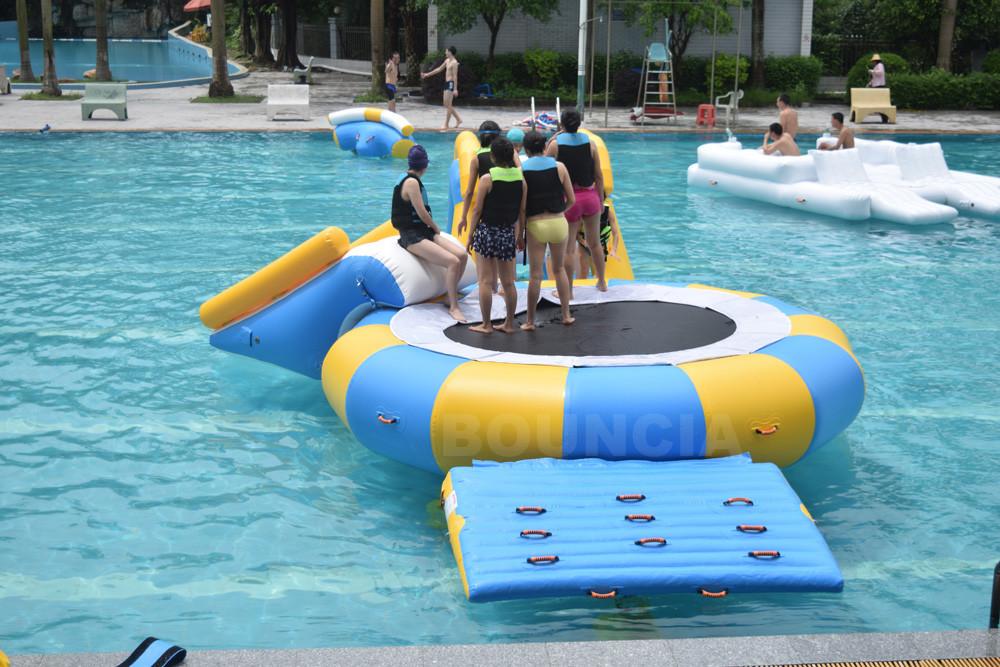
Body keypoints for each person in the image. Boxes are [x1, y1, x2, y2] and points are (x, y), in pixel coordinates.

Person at [391, 145, 469, 323]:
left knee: (462, 255)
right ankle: (454, 307)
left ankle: (450, 297)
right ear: (425, 165)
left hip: (422, 232)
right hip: (411, 236)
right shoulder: (411, 182)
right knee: (453, 262)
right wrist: (436, 228)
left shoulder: (408, 178)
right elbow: (422, 213)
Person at [545, 107, 607, 298]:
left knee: (568, 249)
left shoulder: (555, 145)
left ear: (561, 124)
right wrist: (601, 200)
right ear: (579, 124)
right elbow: (598, 175)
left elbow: (545, 169)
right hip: (591, 198)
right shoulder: (591, 144)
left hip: (569, 200)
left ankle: (569, 291)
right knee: (595, 243)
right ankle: (602, 283)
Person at [465, 137, 525, 334]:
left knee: (484, 281)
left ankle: (486, 325)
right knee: (508, 282)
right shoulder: (520, 179)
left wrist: (470, 236)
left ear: (492, 157)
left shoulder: (487, 178)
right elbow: (521, 211)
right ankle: (509, 324)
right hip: (508, 232)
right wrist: (520, 235)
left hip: (487, 232)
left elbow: (477, 211)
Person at [520, 130, 576, 330]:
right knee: (559, 269)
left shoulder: (522, 169)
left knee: (535, 275)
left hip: (536, 225)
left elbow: (522, 206)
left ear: (526, 150)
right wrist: (559, 212)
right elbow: (571, 199)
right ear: (545, 148)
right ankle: (566, 315)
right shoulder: (560, 167)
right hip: (559, 223)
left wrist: (521, 231)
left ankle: (530, 322)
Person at [457, 120, 501, 238]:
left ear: (480, 137)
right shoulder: (509, 154)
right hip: (506, 214)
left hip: (487, 214)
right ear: (499, 136)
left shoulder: (477, 158)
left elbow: (469, 192)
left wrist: (463, 217)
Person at [575, 199, 621, 278]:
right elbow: (577, 234)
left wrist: (614, 249)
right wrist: (583, 242)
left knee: (599, 273)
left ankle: (599, 285)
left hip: (600, 245)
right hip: (584, 245)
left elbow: (615, 233)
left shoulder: (608, 213)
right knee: (584, 270)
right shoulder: (583, 214)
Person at [421, 46, 463, 129]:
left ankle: (446, 124)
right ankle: (458, 119)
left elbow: (455, 76)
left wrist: (455, 89)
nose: (445, 52)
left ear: (450, 52)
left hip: (451, 83)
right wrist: (427, 75)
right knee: (446, 104)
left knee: (449, 104)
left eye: (446, 51)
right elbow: (439, 69)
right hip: (447, 83)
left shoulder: (454, 63)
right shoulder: (447, 61)